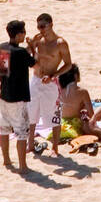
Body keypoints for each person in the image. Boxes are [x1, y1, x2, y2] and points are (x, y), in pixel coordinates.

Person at [26, 13, 72, 156]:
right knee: (32, 112)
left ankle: (55, 148)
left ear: (51, 24)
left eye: (43, 26)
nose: (41, 29)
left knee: (54, 115)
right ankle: (30, 144)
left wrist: (53, 76)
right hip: (36, 80)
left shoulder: (60, 43)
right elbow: (26, 56)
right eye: (38, 26)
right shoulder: (38, 41)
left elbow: (68, 64)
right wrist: (31, 44)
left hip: (51, 82)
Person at [0, 21, 35, 172]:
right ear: (18, 34)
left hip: (4, 94)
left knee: (4, 129)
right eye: (23, 32)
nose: (24, 34)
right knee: (22, 132)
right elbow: (35, 64)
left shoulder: (2, 48)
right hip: (18, 97)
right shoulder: (21, 53)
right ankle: (23, 165)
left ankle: (6, 160)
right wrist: (33, 50)